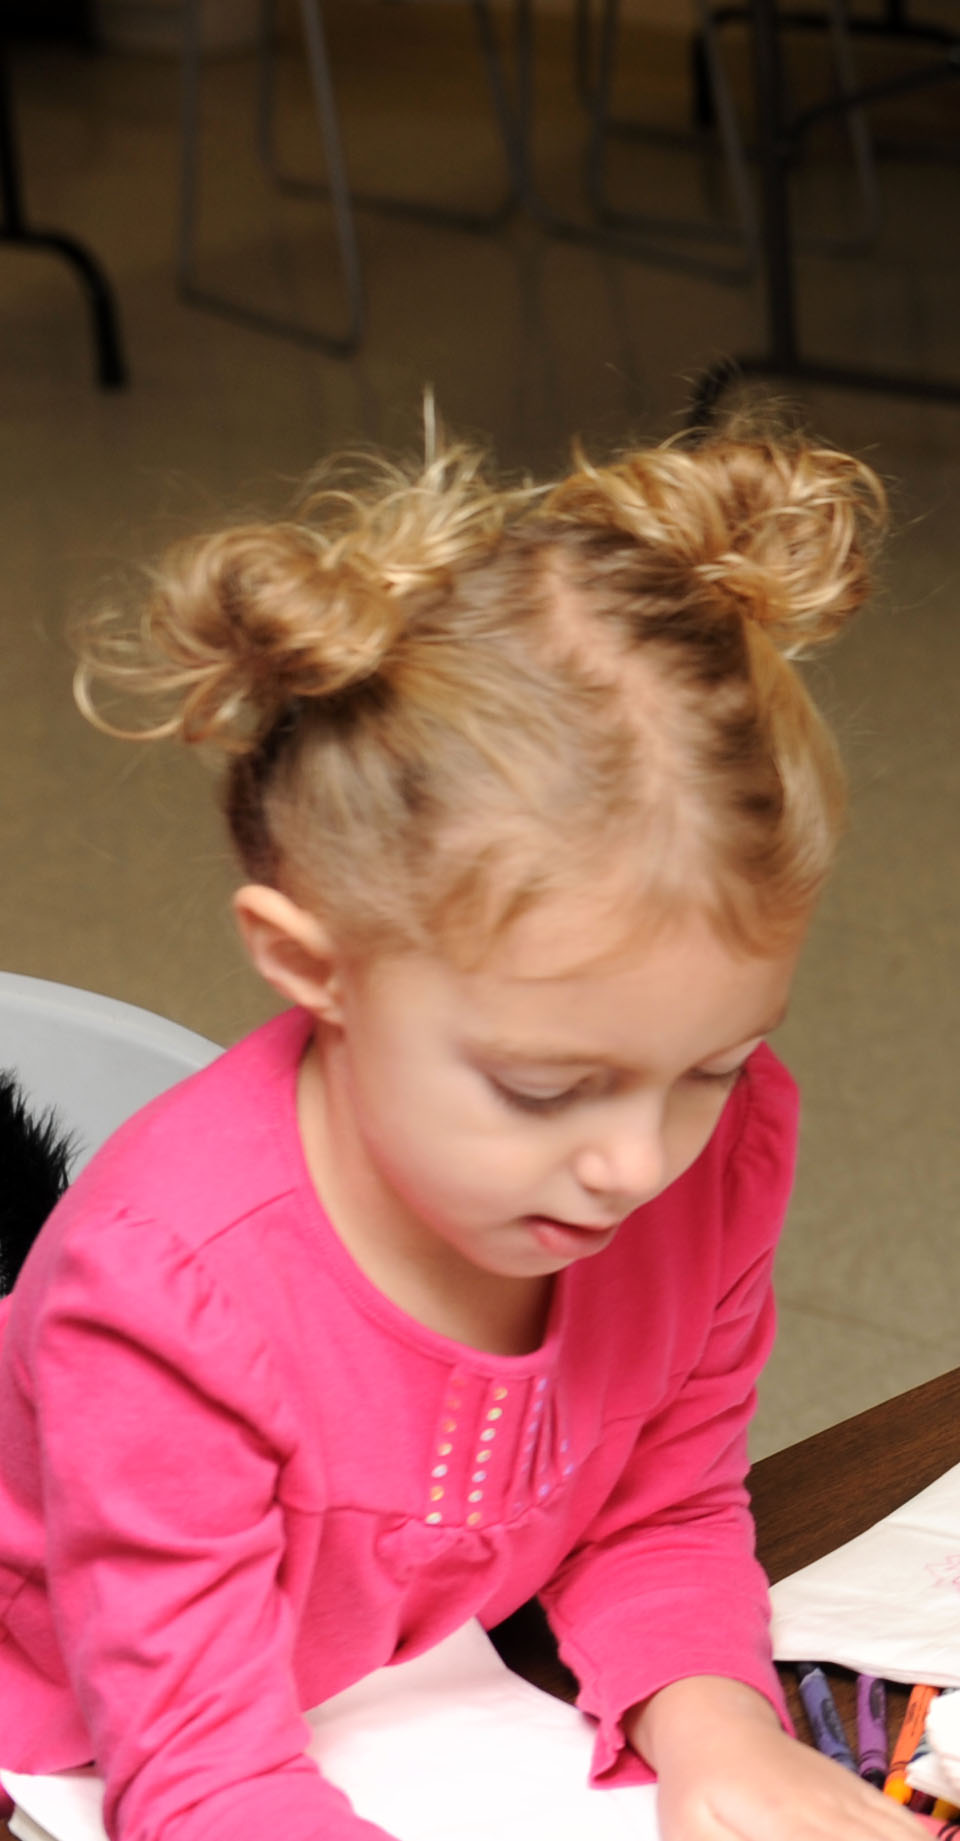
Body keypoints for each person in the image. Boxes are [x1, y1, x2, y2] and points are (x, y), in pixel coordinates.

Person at [0, 428, 910, 1840]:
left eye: (711, 1064)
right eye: (546, 1087)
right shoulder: (167, 1293)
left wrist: (721, 1729)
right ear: (314, 965)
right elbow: (196, 1777)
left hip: (377, 1697)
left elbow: (658, 1506)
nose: (636, 1160)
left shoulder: (712, 1156)